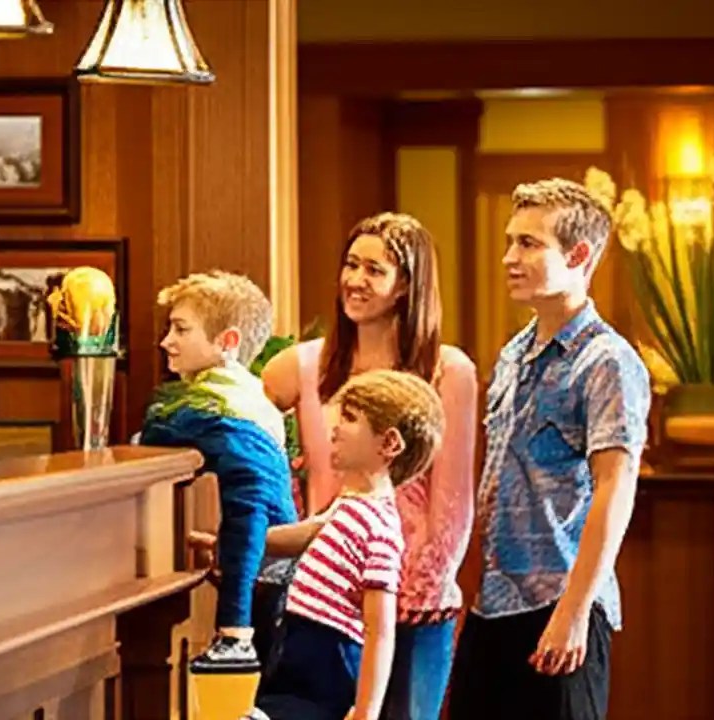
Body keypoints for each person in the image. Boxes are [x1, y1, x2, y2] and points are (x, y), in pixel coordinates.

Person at [447, 178, 650, 720]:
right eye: (511, 241)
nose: (510, 257)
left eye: (529, 244)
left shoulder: (607, 361)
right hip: (491, 604)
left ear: (579, 255)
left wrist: (575, 610)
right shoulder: (514, 354)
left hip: (558, 605)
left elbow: (616, 488)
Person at [261, 212, 477, 719]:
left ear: (406, 286)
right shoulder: (303, 365)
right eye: (350, 265)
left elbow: (452, 508)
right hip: (324, 600)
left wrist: (397, 598)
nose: (355, 280)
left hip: (413, 604)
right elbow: (244, 430)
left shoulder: (449, 370)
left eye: (374, 270)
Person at [246, 369, 445, 720]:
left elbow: (379, 630)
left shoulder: (380, 526)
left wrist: (367, 711)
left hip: (328, 657)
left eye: (350, 419)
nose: (335, 429)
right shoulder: (351, 503)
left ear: (389, 444)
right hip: (295, 643)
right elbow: (310, 533)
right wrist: (240, 544)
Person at [139, 270, 298, 672]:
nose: (166, 342)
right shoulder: (255, 399)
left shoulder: (216, 403)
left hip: (260, 567)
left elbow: (161, 427)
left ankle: (234, 634)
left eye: (181, 329)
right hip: (278, 568)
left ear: (227, 342)